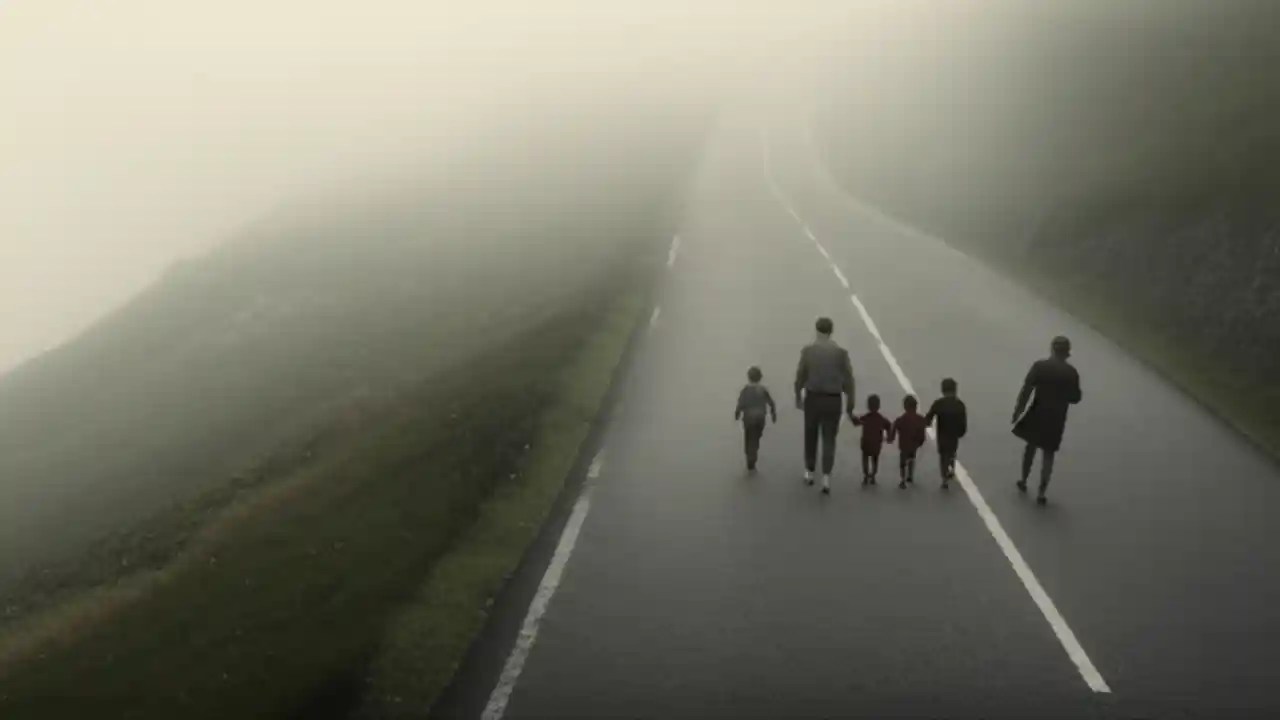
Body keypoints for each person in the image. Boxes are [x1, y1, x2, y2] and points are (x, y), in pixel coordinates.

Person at [1012, 335, 1082, 505]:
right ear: (1067, 354)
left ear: (1052, 349)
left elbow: (1027, 389)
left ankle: (1023, 479)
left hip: (1038, 411)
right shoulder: (1071, 373)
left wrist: (1018, 411)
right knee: (1048, 453)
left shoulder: (1040, 366)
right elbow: (1075, 398)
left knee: (1031, 446)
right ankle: (1042, 492)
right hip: (1057, 417)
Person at [794, 316, 856, 495]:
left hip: (813, 398)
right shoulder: (840, 353)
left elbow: (800, 376)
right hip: (833, 400)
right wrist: (850, 405)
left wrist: (798, 396)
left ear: (817, 330)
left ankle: (809, 472)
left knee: (810, 435)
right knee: (829, 438)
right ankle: (826, 478)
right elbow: (848, 380)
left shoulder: (808, 351)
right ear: (831, 332)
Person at [925, 378, 967, 489]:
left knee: (943, 455)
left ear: (942, 390)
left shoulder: (939, 403)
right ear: (955, 390)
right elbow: (963, 421)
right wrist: (961, 432)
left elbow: (930, 416)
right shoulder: (960, 404)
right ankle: (952, 467)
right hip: (954, 435)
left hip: (942, 434)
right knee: (952, 451)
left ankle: (944, 478)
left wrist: (926, 423)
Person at [735, 366, 777, 472]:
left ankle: (750, 456)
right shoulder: (762, 390)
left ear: (748, 377)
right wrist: (773, 414)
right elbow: (771, 403)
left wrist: (737, 413)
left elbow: (740, 404)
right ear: (760, 378)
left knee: (748, 437)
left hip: (748, 418)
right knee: (756, 437)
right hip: (760, 418)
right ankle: (753, 454)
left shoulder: (745, 390)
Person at [889, 394, 928, 489]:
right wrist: (921, 441)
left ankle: (903, 479)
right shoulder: (920, 419)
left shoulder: (901, 419)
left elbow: (894, 428)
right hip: (914, 444)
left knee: (903, 462)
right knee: (912, 457)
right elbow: (922, 432)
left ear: (905, 407)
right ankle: (910, 475)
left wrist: (891, 438)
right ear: (916, 406)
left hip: (903, 444)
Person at [853, 394, 891, 485]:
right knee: (875, 458)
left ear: (868, 406)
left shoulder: (865, 417)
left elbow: (856, 423)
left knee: (865, 457)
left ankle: (866, 475)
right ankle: (873, 475)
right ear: (879, 406)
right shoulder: (881, 419)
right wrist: (889, 437)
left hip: (866, 443)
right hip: (876, 444)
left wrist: (852, 416)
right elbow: (889, 426)